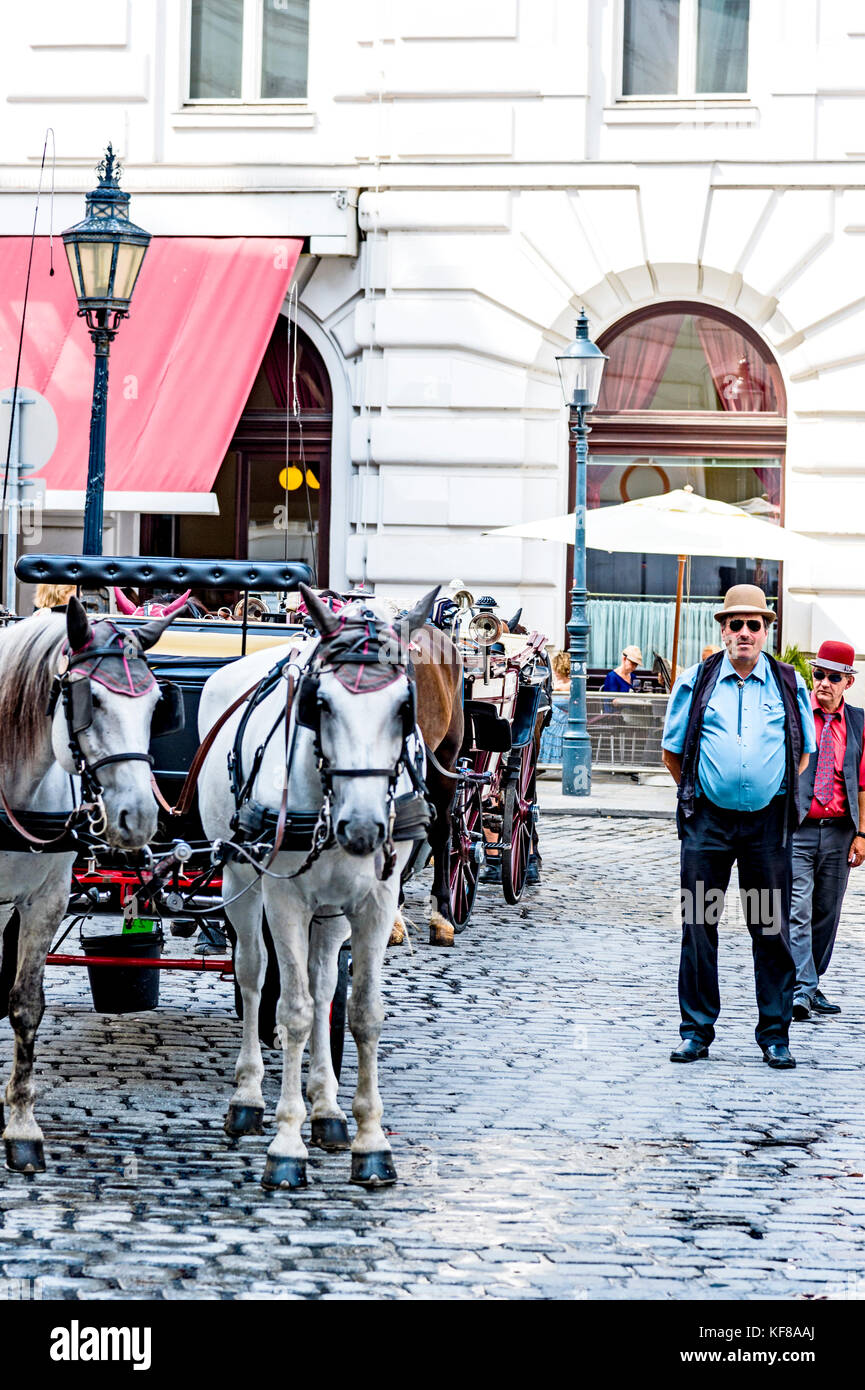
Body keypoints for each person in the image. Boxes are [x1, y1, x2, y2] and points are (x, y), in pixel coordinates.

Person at [661, 584, 816, 1069]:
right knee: (699, 924)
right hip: (708, 825)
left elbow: (805, 752)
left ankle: (774, 1033)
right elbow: (672, 750)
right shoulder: (697, 680)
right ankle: (696, 1031)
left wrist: (768, 790)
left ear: (767, 630)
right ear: (723, 630)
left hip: (765, 829)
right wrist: (706, 791)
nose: (745, 632)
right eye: (736, 624)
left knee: (769, 927)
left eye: (755, 624)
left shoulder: (789, 683)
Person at [789, 640, 865, 1021]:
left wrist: (862, 834)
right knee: (797, 909)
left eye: (833, 677)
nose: (823, 683)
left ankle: (810, 982)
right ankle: (800, 989)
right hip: (800, 829)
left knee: (826, 913)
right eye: (818, 674)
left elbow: (864, 783)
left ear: (848, 682)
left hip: (839, 832)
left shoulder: (859, 722)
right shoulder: (799, 714)